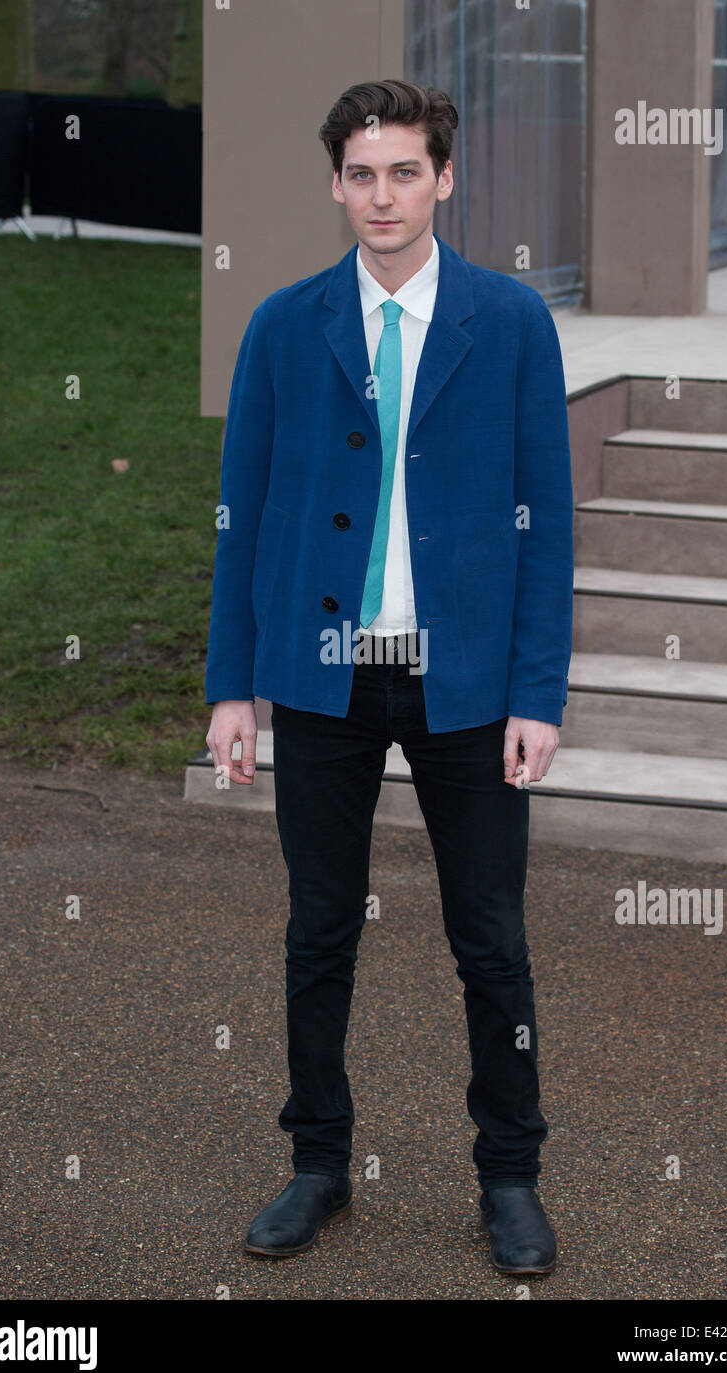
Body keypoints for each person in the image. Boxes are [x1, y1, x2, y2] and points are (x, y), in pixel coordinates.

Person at [205, 79, 573, 1275]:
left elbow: (548, 525)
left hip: (465, 681)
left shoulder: (511, 322)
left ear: (444, 179)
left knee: (491, 939)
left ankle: (508, 1175)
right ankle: (318, 1161)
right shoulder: (282, 325)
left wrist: (537, 693)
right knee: (319, 929)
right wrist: (229, 686)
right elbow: (242, 517)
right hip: (323, 675)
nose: (381, 195)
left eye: (403, 171)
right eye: (360, 173)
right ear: (335, 183)